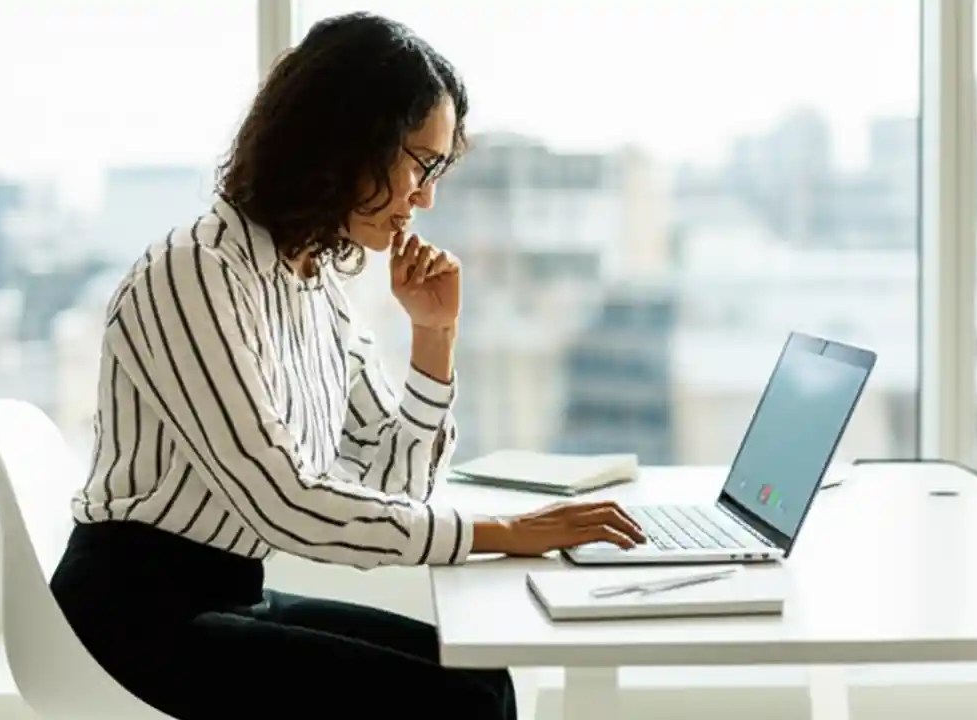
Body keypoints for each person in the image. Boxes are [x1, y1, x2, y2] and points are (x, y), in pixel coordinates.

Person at [48, 11, 645, 720]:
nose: (426, 198)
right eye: (420, 164)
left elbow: (397, 484)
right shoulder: (195, 272)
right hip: (130, 618)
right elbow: (287, 502)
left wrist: (434, 336)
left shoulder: (310, 283)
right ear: (344, 140)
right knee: (459, 706)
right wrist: (502, 534)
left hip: (233, 591)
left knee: (487, 679)